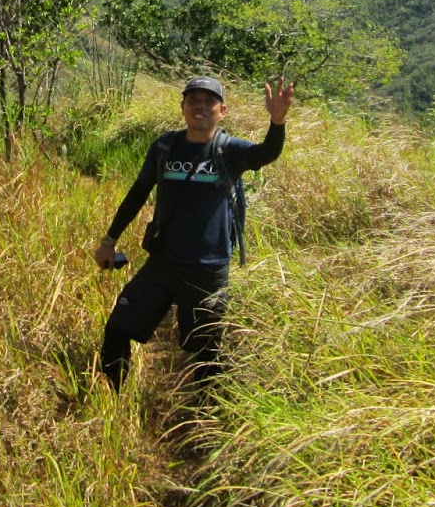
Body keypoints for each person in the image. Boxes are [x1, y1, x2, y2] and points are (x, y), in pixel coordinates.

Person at [94, 74, 294, 389]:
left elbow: (266, 152)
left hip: (208, 269)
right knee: (118, 327)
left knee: (206, 353)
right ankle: (110, 397)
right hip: (163, 263)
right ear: (183, 107)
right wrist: (110, 239)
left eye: (209, 101)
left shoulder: (230, 151)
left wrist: (277, 121)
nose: (200, 107)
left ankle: (203, 425)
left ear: (222, 111)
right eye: (193, 101)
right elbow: (139, 192)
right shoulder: (164, 147)